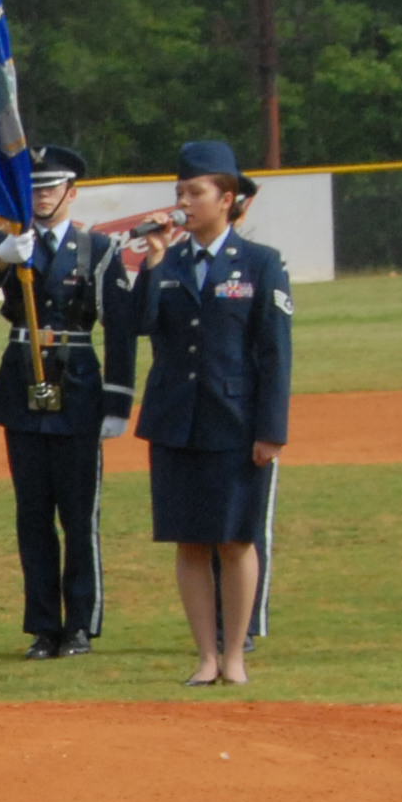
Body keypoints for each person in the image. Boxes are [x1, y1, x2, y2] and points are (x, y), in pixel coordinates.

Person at [116, 137, 293, 684]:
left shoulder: (261, 264)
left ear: (227, 198)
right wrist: (151, 263)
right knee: (189, 539)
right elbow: (138, 325)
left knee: (235, 538)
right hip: (175, 419)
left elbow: (274, 353)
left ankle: (235, 655)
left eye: (196, 192)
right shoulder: (167, 263)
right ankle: (205, 657)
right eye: (179, 193)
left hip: (234, 422)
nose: (184, 203)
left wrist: (271, 432)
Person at [0, 146, 138, 656]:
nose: (41, 196)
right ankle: (42, 623)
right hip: (23, 385)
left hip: (77, 385)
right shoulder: (9, 239)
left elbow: (120, 331)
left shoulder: (96, 249)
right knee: (31, 515)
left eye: (50, 188)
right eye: (33, 188)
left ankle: (79, 622)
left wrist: (118, 403)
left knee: (79, 516)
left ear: (71, 193)